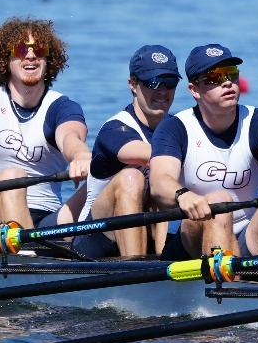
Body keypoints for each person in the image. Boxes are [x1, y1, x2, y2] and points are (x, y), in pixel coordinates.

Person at [0, 17, 90, 230]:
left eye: (39, 49)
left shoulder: (62, 106)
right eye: (21, 49)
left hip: (47, 218)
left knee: (109, 176)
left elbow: (71, 137)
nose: (31, 55)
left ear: (48, 58)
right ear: (5, 59)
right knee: (12, 177)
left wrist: (81, 157)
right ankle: (26, 257)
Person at [150, 43, 258, 257]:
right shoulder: (174, 128)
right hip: (190, 237)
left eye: (231, 75)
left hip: (247, 233)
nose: (227, 84)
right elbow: (159, 182)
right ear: (194, 89)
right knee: (218, 202)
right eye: (215, 78)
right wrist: (182, 195)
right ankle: (227, 287)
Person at [71, 46, 181, 259]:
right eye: (153, 83)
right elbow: (152, 155)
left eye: (170, 83)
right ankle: (137, 274)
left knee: (166, 182)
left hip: (149, 231)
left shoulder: (179, 128)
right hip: (95, 239)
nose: (162, 91)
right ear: (133, 84)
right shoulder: (114, 129)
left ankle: (161, 263)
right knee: (134, 176)